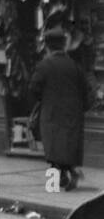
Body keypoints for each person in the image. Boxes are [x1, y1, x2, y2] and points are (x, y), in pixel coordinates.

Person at [30, 26, 89, 192]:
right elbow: (85, 91)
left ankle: (53, 186)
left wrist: (43, 99)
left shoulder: (44, 66)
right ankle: (70, 173)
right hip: (73, 114)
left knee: (53, 150)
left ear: (48, 46)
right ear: (64, 45)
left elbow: (33, 89)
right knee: (68, 147)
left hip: (51, 114)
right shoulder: (75, 66)